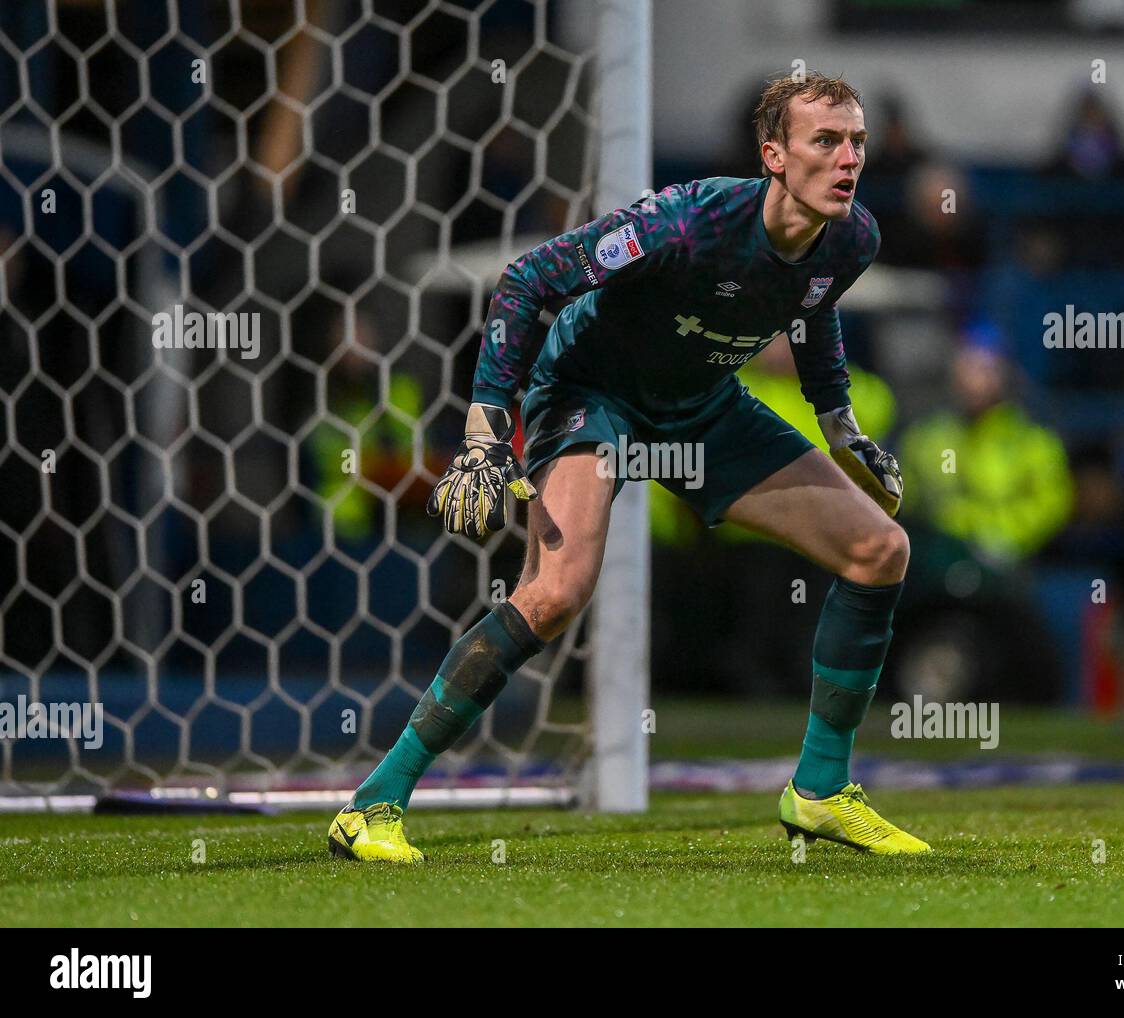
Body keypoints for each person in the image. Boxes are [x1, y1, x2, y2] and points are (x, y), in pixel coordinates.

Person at [328, 72, 930, 862]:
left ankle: (818, 791)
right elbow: (529, 279)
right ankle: (372, 805)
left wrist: (841, 429)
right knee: (556, 594)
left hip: (703, 406)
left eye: (856, 142)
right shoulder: (687, 222)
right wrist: (483, 433)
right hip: (591, 392)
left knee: (880, 550)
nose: (848, 157)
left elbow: (812, 309)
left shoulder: (854, 239)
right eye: (827, 141)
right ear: (774, 155)